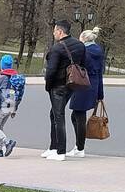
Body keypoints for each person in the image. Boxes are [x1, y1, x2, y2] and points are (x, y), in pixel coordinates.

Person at [42, 19, 86, 161]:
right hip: (71, 85)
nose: (54, 33)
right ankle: (53, 147)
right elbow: (83, 64)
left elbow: (51, 71)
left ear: (60, 31)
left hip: (58, 86)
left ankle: (60, 151)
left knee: (58, 116)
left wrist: (48, 86)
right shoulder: (79, 45)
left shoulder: (57, 48)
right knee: (54, 114)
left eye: (55, 30)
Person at [68, 28, 105, 156]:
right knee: (78, 115)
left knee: (78, 116)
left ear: (83, 39)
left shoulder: (83, 51)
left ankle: (79, 148)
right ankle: (79, 146)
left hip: (82, 84)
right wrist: (100, 94)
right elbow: (100, 73)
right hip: (93, 85)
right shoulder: (99, 51)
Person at [0, 53, 25, 158]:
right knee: (0, 127)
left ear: (2, 65)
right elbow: (19, 94)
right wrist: (15, 109)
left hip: (3, 106)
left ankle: (8, 143)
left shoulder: (2, 77)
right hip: (11, 106)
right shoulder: (15, 77)